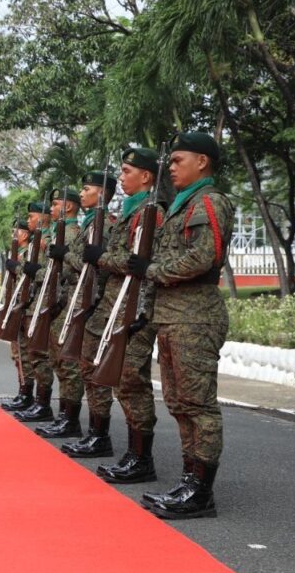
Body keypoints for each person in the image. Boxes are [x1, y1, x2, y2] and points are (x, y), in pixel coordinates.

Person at [130, 132, 234, 520]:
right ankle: (190, 479)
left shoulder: (208, 201)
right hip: (173, 315)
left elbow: (204, 257)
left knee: (198, 405)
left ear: (202, 162)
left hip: (195, 316)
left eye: (178, 160)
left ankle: (201, 491)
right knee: (178, 403)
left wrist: (152, 270)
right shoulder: (182, 204)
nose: (170, 167)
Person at [69, 149, 163, 473]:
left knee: (129, 380)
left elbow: (143, 264)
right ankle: (99, 435)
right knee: (92, 365)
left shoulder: (151, 213)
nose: (121, 178)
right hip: (110, 303)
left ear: (146, 176)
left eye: (126, 171)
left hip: (131, 307)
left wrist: (101, 258)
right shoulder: (129, 211)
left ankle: (141, 456)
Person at [35, 177, 115, 439]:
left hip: (85, 298)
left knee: (75, 363)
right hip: (72, 295)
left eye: (86, 189)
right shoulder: (88, 224)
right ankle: (70, 419)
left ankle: (80, 424)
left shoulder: (87, 226)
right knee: (66, 360)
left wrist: (64, 254)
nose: (83, 193)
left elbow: (88, 265)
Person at [14, 189, 81, 425]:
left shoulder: (70, 234)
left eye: (54, 205)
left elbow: (62, 273)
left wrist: (34, 272)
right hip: (46, 302)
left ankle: (65, 416)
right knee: (48, 358)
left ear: (68, 206)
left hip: (60, 302)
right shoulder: (51, 236)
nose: (50, 210)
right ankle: (51, 409)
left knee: (62, 362)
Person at [0, 202, 49, 412]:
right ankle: (25, 393)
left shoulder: (42, 244)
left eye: (30, 218)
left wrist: (18, 267)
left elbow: (37, 274)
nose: (27, 225)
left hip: (35, 304)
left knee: (36, 355)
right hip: (22, 305)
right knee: (21, 353)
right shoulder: (27, 248)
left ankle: (41, 402)